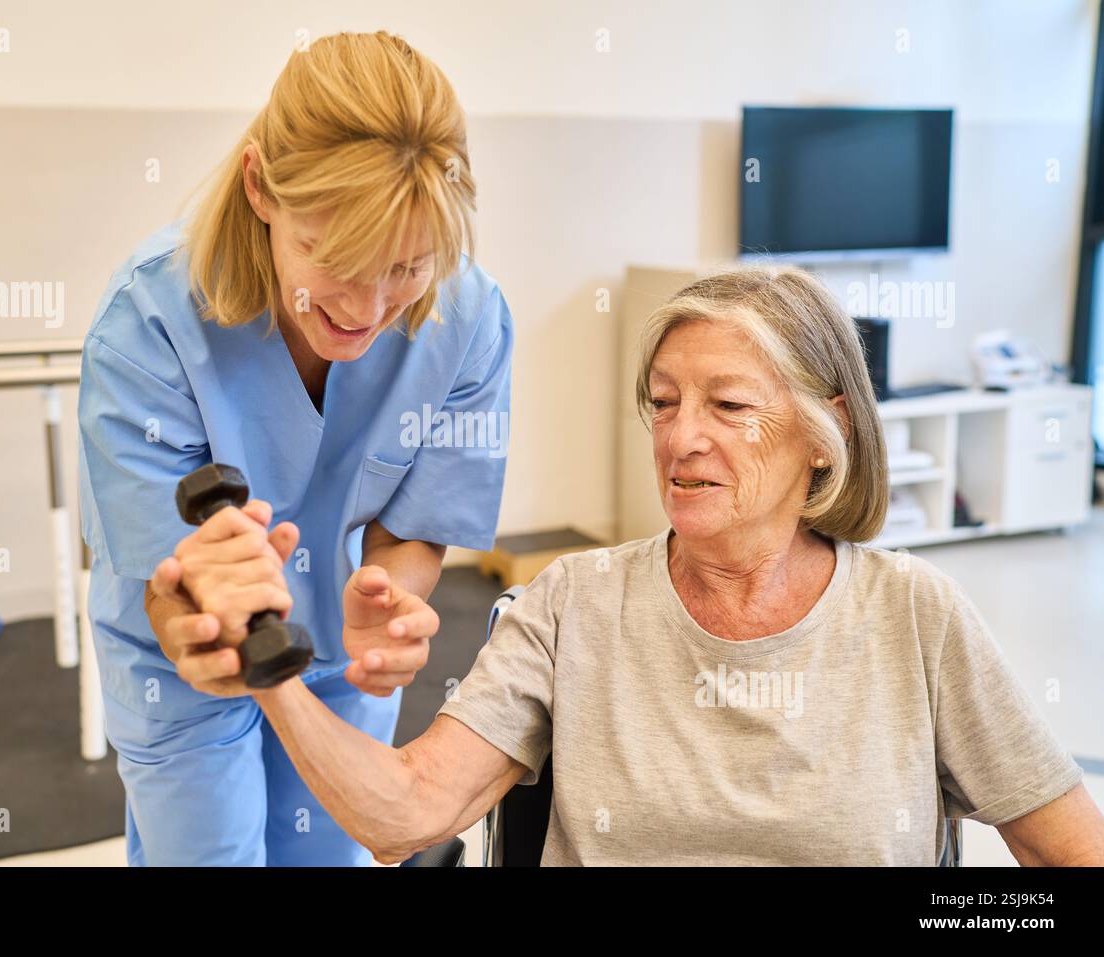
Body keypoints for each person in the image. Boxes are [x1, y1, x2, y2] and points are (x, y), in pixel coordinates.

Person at [238, 265, 1104, 865]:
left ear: (822, 431)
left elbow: (1069, 852)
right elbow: (405, 814)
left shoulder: (918, 615)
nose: (681, 437)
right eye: (662, 402)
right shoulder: (572, 602)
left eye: (728, 405)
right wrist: (267, 664)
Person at [77, 31, 512, 866]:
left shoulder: (469, 319)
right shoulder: (150, 323)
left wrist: (388, 601)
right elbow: (162, 584)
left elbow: (418, 521)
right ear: (260, 189)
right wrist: (199, 635)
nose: (368, 305)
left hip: (336, 650)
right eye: (333, 258)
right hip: (181, 665)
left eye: (407, 267)